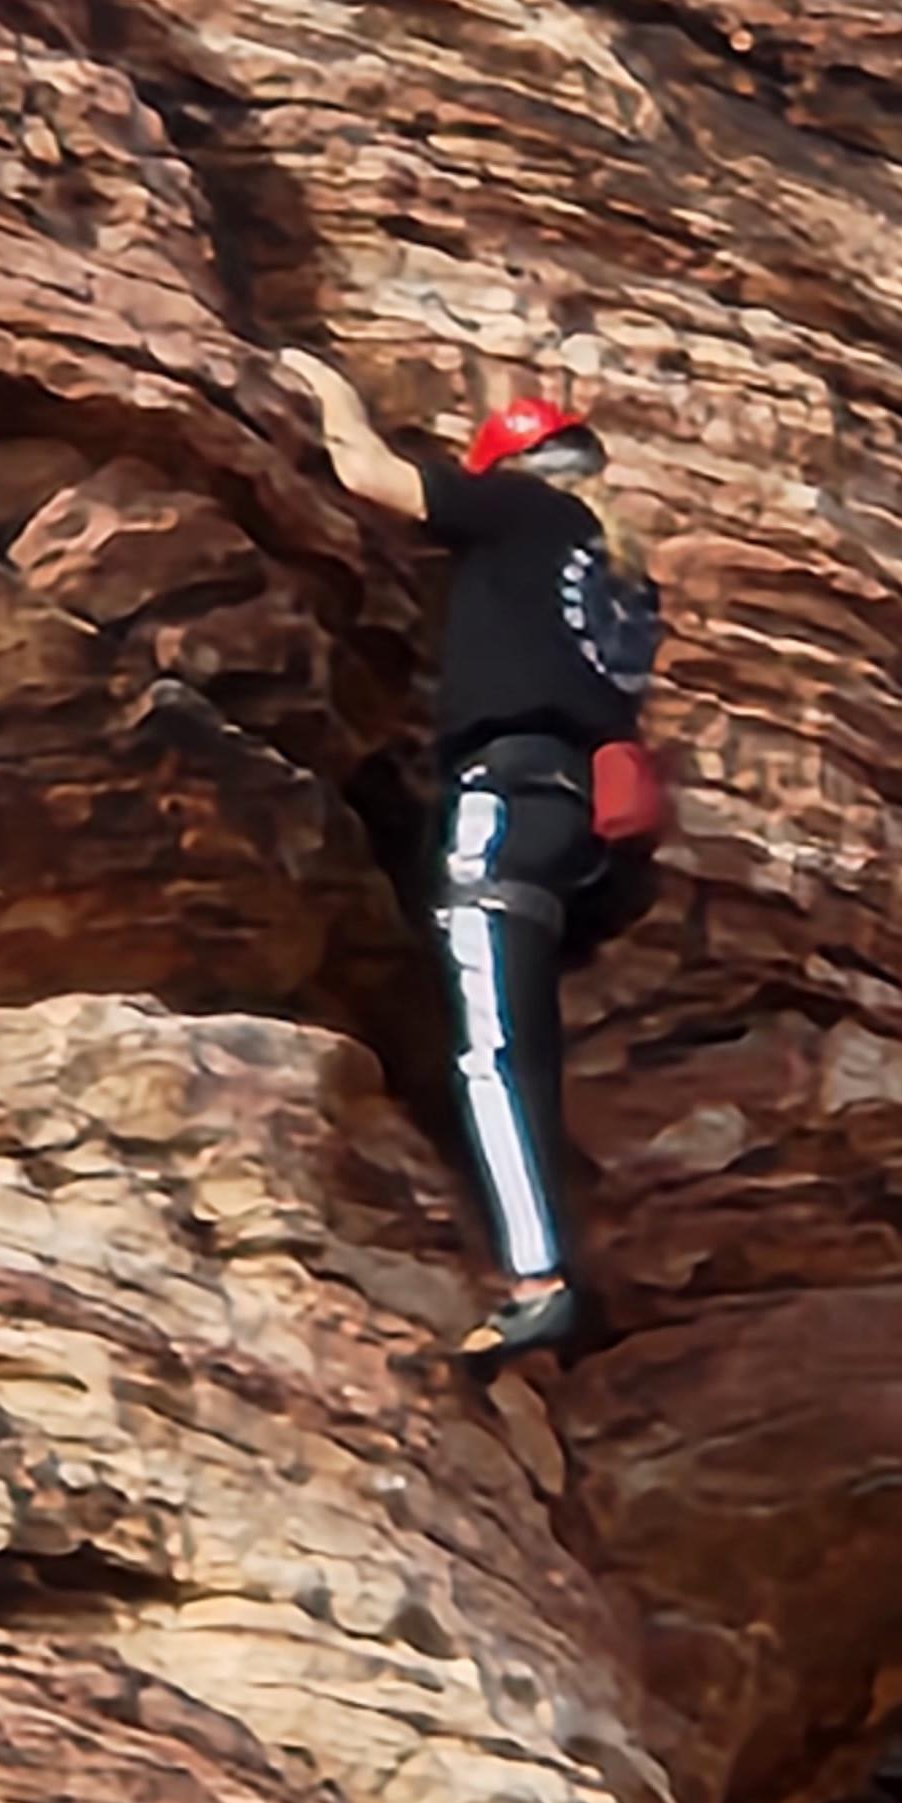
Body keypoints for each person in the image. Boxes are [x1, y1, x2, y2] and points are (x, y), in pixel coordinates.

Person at [279, 347, 663, 1369]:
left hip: (507, 801)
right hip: (591, 827)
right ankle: (554, 1261)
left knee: (495, 1053)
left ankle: (541, 1282)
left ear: (506, 475)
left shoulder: (522, 517)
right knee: (526, 1045)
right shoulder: (623, 569)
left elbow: (367, 473)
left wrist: (327, 391)